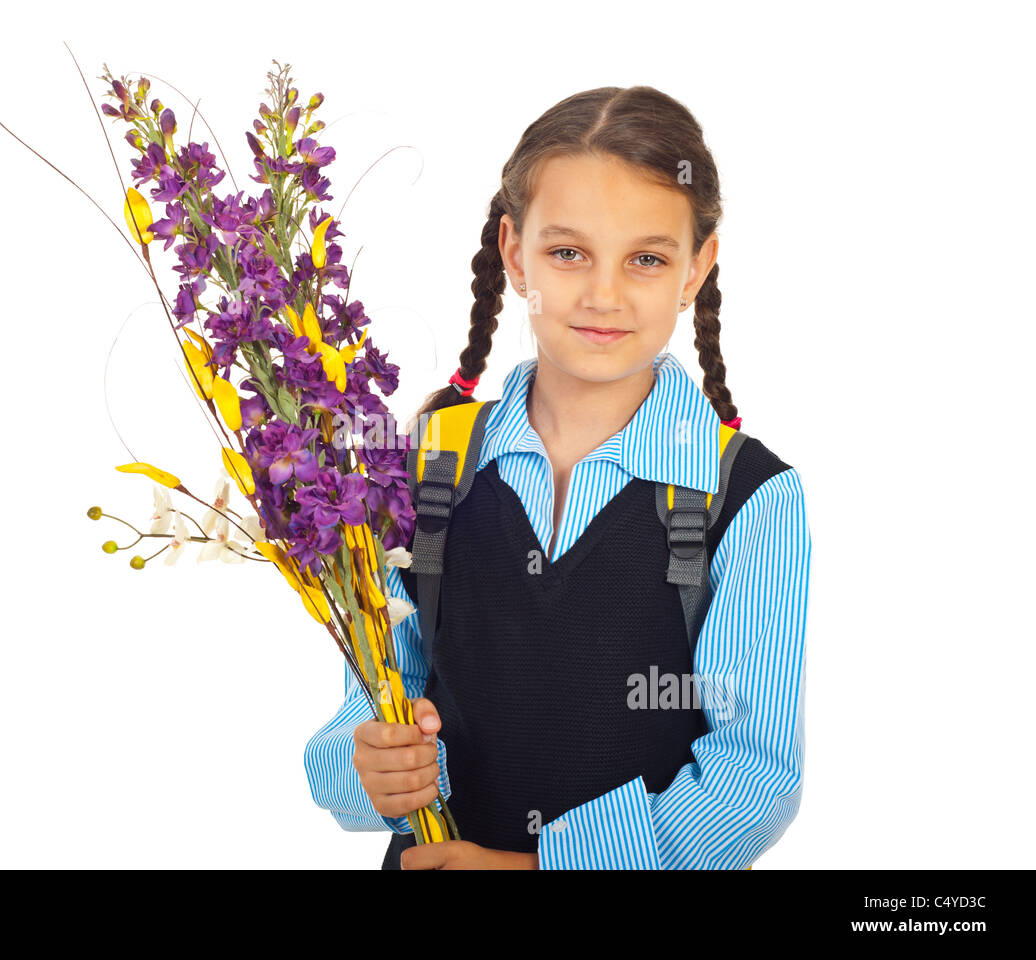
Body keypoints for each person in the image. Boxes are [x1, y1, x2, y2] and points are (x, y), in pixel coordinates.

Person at [303, 85, 812, 869]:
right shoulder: (419, 466)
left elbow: (754, 777)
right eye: (567, 253)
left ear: (695, 269)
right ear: (514, 254)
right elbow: (362, 711)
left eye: (646, 258)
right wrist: (366, 764)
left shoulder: (748, 498)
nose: (603, 295)